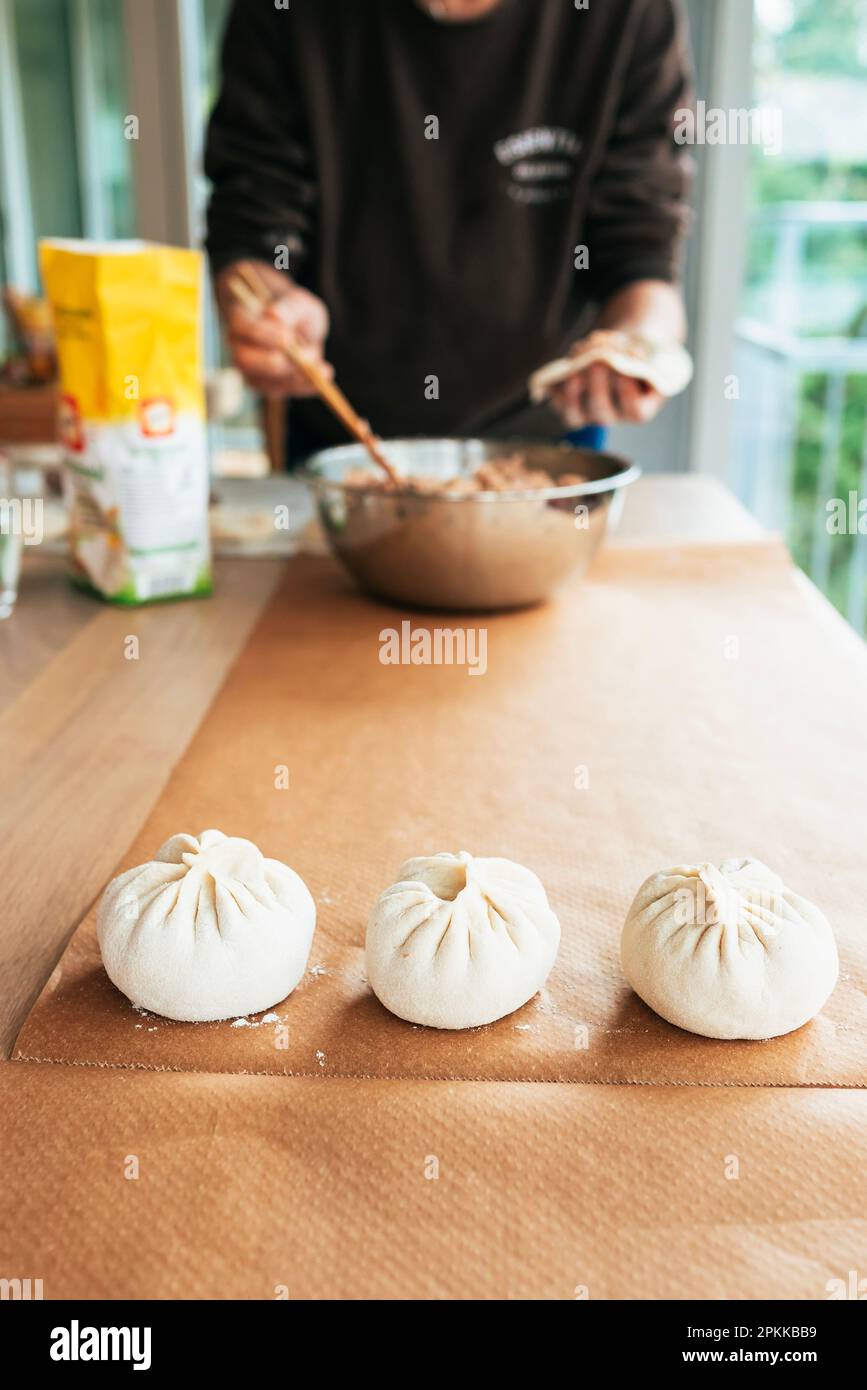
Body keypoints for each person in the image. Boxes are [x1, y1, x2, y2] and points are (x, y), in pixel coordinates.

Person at [206, 0, 692, 464]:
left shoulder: (628, 13)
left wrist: (637, 349)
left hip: (551, 436)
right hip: (342, 434)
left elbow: (641, 250)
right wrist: (267, 308)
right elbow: (252, 219)